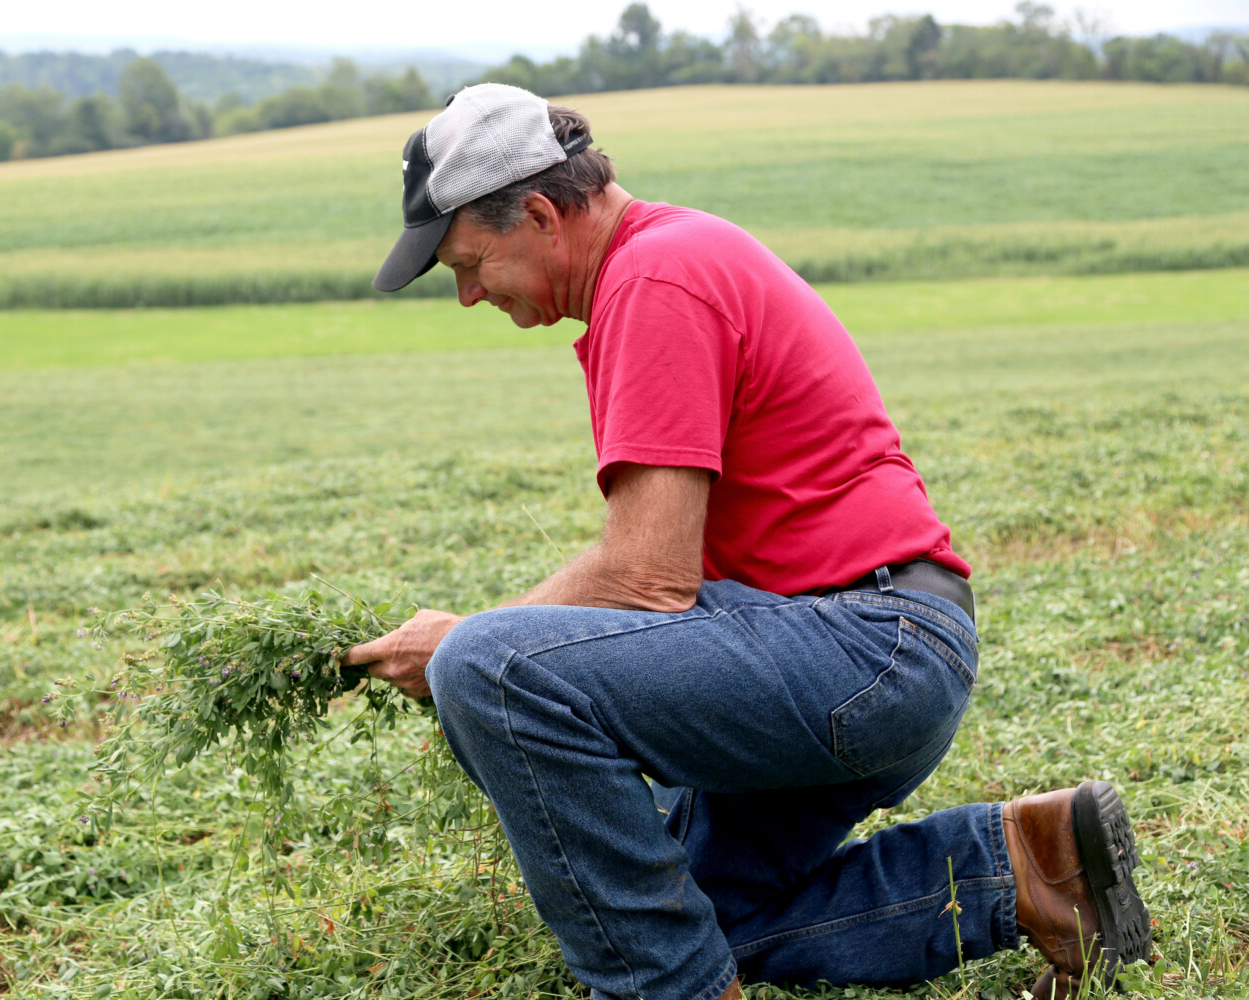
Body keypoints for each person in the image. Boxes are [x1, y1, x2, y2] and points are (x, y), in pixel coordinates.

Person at [344, 83, 1151, 1000]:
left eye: (470, 263)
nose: (466, 294)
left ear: (538, 214)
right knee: (701, 917)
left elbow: (647, 576)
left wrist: (464, 642)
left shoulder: (656, 279)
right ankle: (1031, 868)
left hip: (866, 647)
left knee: (488, 668)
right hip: (868, 643)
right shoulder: (662, 264)